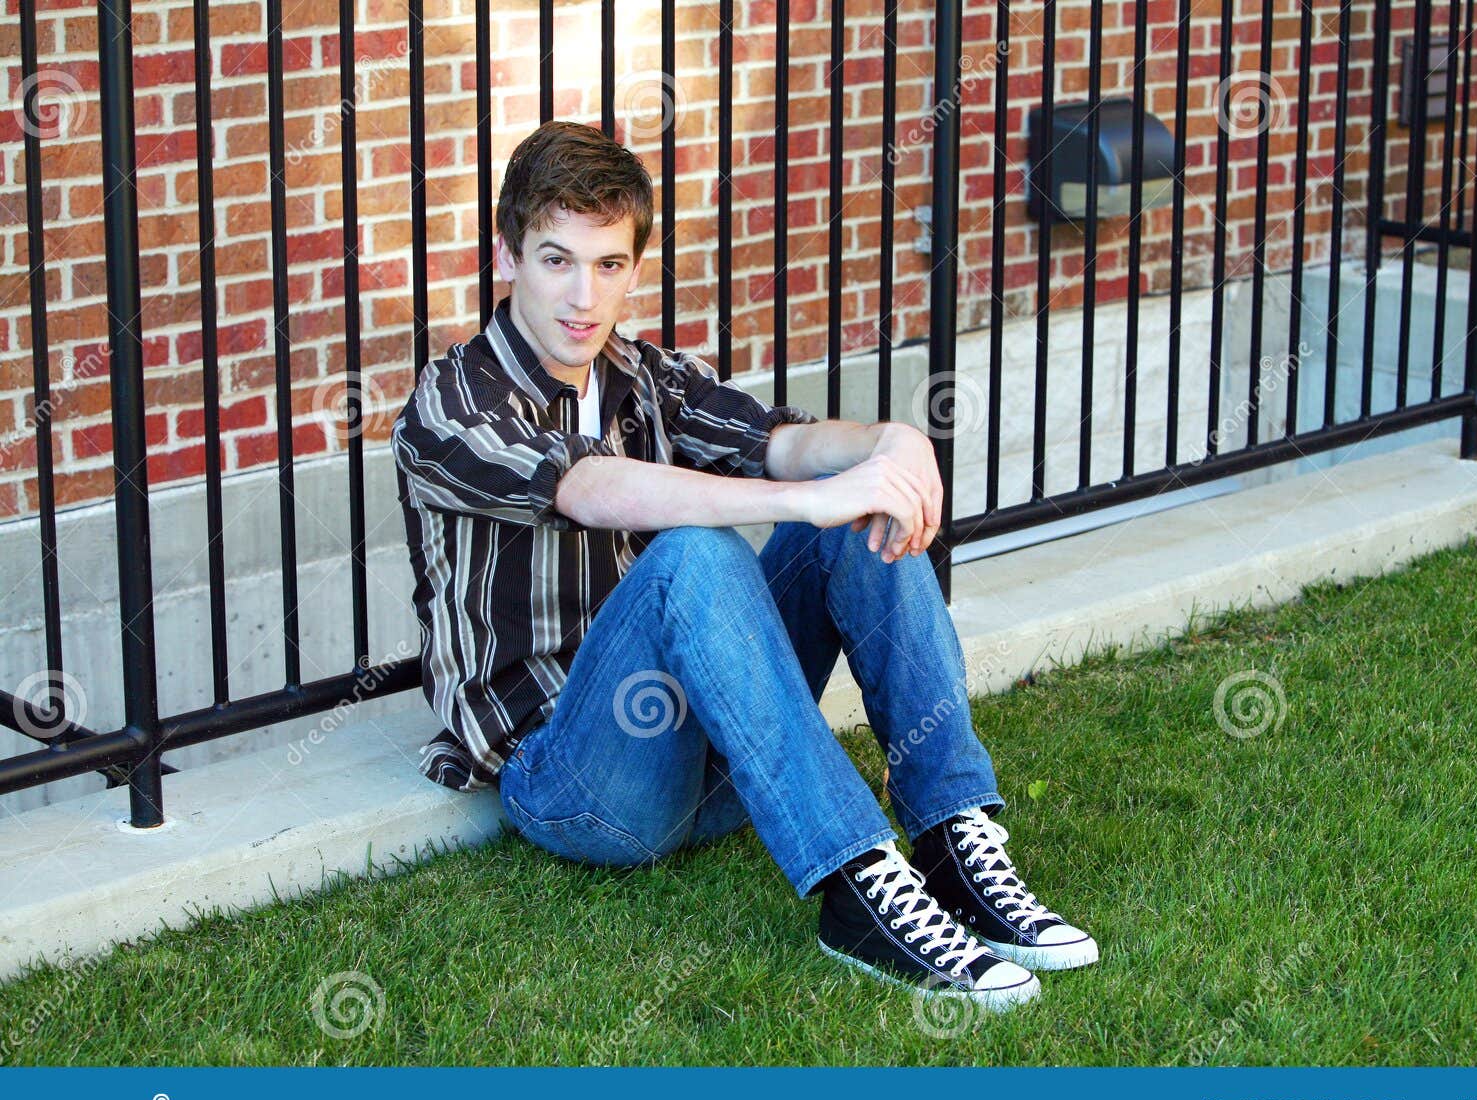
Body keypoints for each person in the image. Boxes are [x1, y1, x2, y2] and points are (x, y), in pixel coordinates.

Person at [390, 120, 1097, 1011]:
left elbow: (781, 444)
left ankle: (952, 837)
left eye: (609, 265)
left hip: (705, 757)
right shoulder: (449, 401)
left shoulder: (643, 377)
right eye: (555, 260)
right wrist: (805, 501)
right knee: (697, 551)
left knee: (850, 503)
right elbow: (588, 486)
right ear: (507, 256)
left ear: (634, 270)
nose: (582, 295)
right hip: (578, 781)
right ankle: (856, 887)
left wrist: (888, 442)